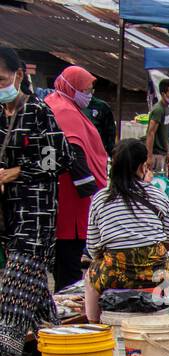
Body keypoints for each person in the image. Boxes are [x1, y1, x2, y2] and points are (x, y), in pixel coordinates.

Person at [0, 46, 73, 356]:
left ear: (18, 75)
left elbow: (61, 158)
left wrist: (17, 171)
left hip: (38, 211)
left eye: (1, 79)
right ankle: (61, 355)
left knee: (16, 283)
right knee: (34, 289)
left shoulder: (37, 111)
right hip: (8, 215)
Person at [83, 139, 169, 323]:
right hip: (157, 275)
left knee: (90, 276)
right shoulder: (158, 195)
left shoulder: (101, 198)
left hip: (114, 276)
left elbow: (93, 248)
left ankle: (94, 322)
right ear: (142, 167)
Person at [46, 66, 107, 290]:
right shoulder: (65, 111)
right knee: (69, 264)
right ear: (72, 88)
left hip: (60, 196)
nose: (89, 94)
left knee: (64, 262)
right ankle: (66, 314)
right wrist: (91, 191)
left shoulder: (56, 103)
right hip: (71, 199)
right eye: (86, 89)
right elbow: (74, 154)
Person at [145, 78, 169, 174]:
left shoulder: (166, 108)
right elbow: (151, 133)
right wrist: (149, 156)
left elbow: (165, 133)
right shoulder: (158, 109)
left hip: (162, 153)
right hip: (155, 153)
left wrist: (167, 151)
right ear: (163, 94)